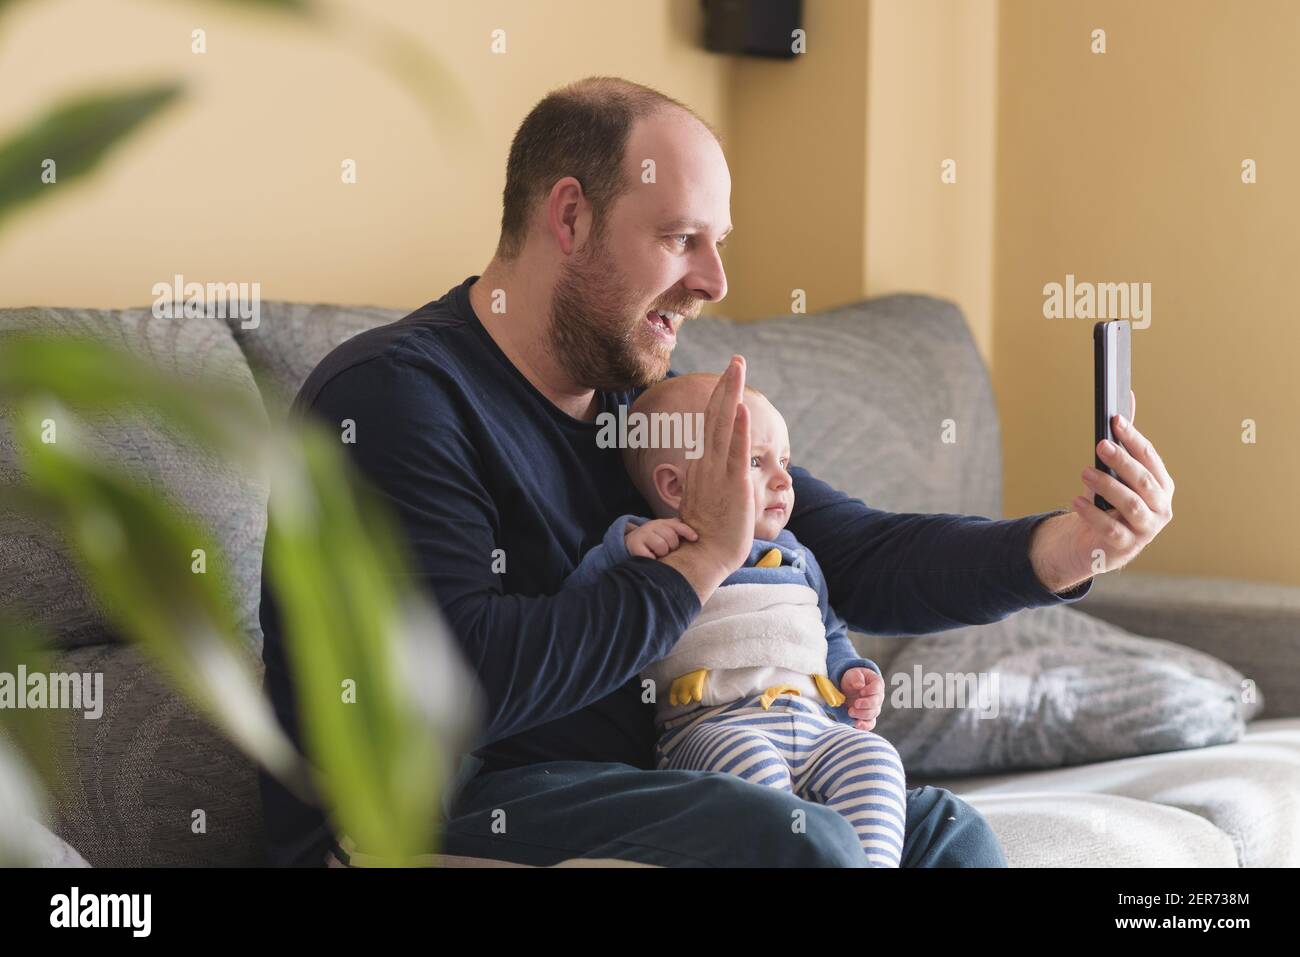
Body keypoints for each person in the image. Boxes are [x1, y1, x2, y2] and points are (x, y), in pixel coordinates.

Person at [257, 76, 1175, 868]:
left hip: (622, 779)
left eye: (716, 241)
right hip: (424, 805)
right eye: (680, 238)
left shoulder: (641, 408)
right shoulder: (397, 400)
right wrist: (694, 566)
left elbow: (853, 549)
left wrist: (1065, 548)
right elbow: (460, 687)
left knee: (942, 833)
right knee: (792, 840)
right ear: (569, 216)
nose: (715, 280)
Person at [563, 372, 907, 866]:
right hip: (711, 727)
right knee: (754, 778)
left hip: (814, 723)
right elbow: (583, 618)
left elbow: (828, 632)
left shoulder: (796, 559)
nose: (785, 479)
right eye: (754, 461)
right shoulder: (651, 544)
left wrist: (851, 673)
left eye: (783, 461)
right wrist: (622, 554)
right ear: (675, 486)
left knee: (877, 760)